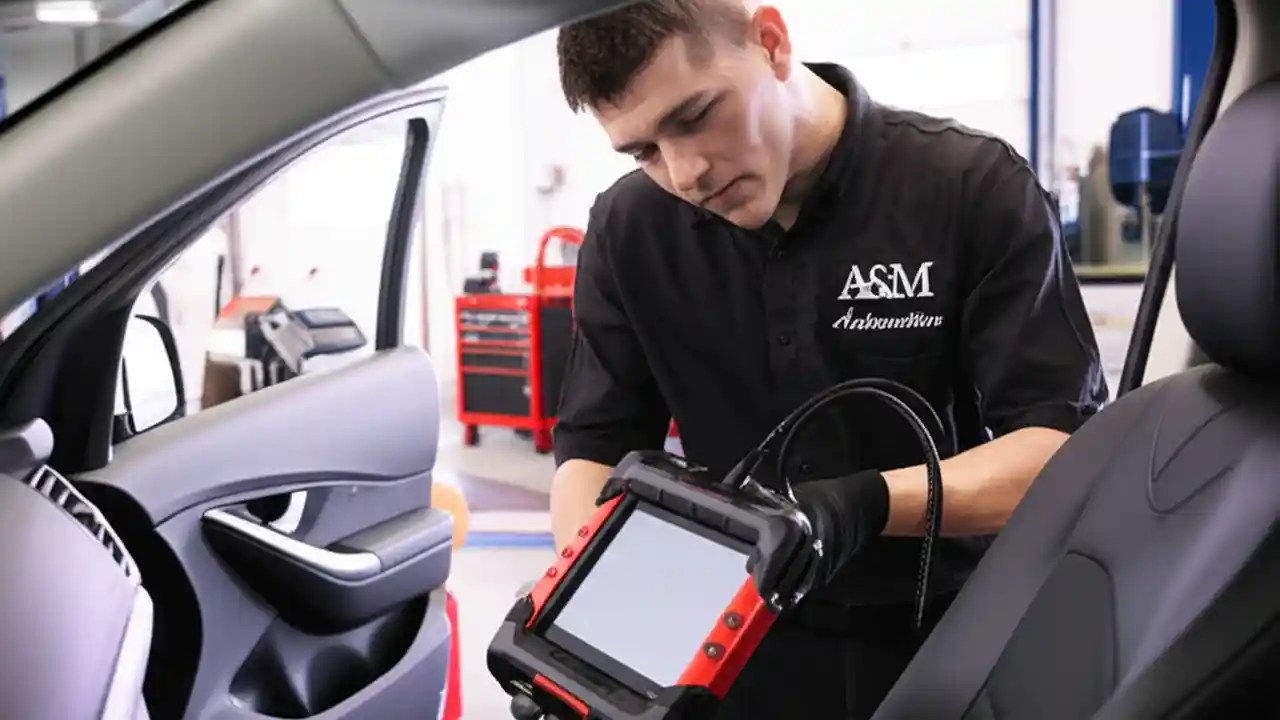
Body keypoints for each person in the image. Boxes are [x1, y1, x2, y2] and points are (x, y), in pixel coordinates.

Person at [547, 1, 1108, 718]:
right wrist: (590, 596)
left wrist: (867, 504)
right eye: (643, 151)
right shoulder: (629, 230)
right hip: (731, 639)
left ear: (772, 43)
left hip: (946, 635)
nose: (685, 172)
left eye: (695, 116)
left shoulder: (969, 186)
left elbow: (1059, 453)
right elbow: (594, 446)